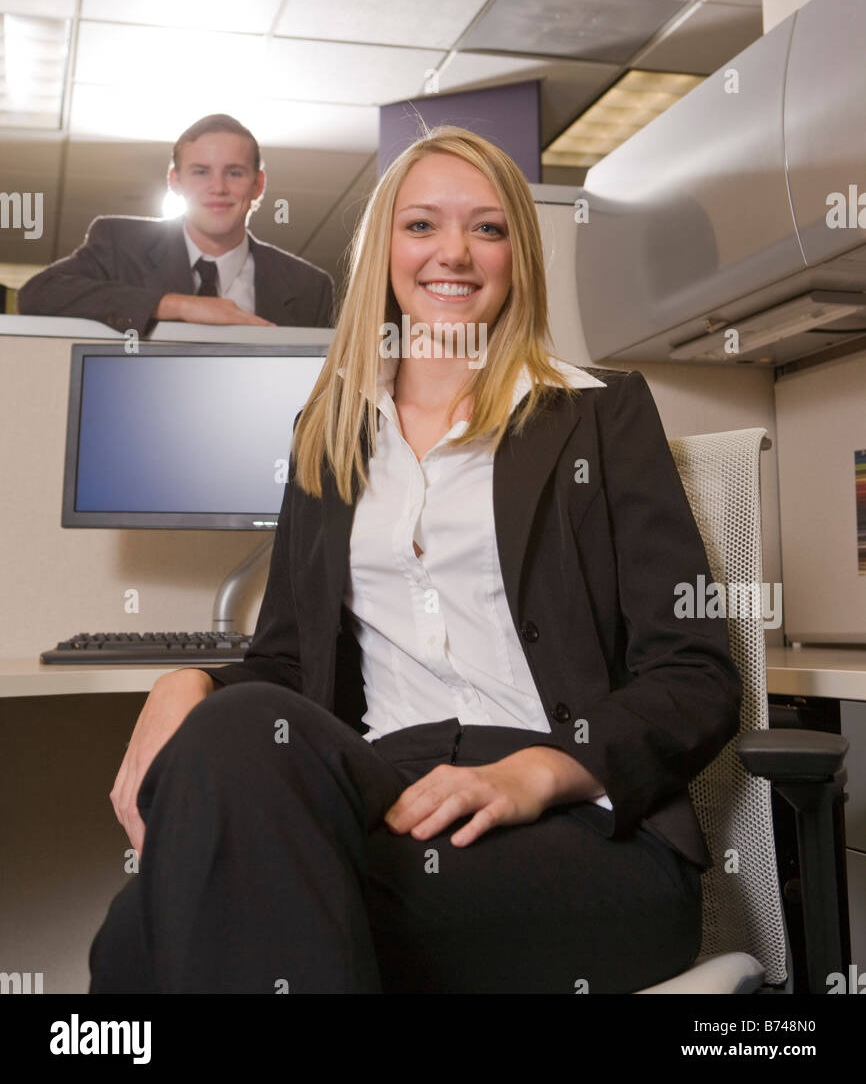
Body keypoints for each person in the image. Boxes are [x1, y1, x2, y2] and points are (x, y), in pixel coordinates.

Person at [88, 124, 741, 995]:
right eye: (423, 225)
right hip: (388, 791)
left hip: (578, 821)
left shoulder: (598, 414)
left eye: (489, 228)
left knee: (149, 939)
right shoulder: (326, 433)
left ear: (519, 255)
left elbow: (694, 672)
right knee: (221, 750)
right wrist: (186, 683)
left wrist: (532, 773)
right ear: (384, 252)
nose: (455, 254)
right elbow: (285, 664)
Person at [17, 114, 334, 334]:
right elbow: (37, 295)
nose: (218, 188)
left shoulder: (308, 286)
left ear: (258, 184)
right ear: (175, 182)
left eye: (234, 173)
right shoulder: (120, 244)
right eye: (200, 172)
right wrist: (178, 306)